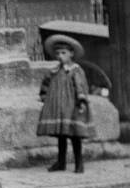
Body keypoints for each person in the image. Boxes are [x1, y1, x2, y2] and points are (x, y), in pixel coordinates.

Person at [37, 34, 91, 174]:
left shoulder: (75, 70)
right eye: (57, 53)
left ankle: (79, 163)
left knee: (74, 135)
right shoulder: (54, 72)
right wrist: (45, 98)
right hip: (59, 108)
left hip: (72, 107)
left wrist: (81, 101)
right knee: (61, 135)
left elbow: (80, 86)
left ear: (71, 54)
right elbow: (45, 85)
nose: (60, 56)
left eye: (63, 53)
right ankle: (61, 162)